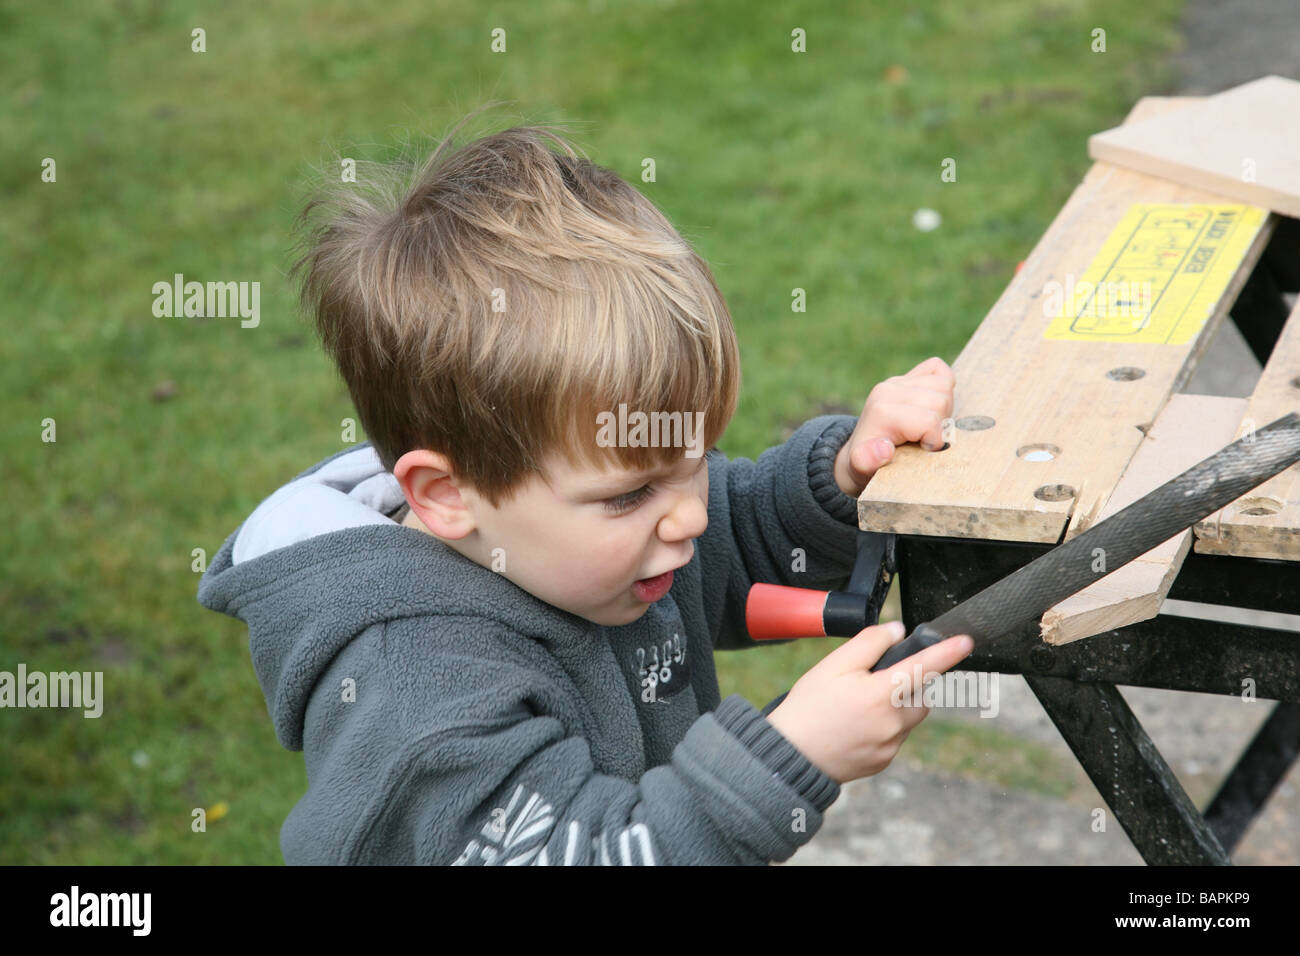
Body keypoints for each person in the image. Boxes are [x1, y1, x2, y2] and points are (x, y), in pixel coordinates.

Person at [197, 114, 972, 865]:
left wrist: (842, 481)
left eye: (694, 459)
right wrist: (784, 762)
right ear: (445, 495)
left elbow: (737, 537)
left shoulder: (577, 543)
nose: (691, 515)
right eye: (630, 494)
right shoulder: (418, 706)